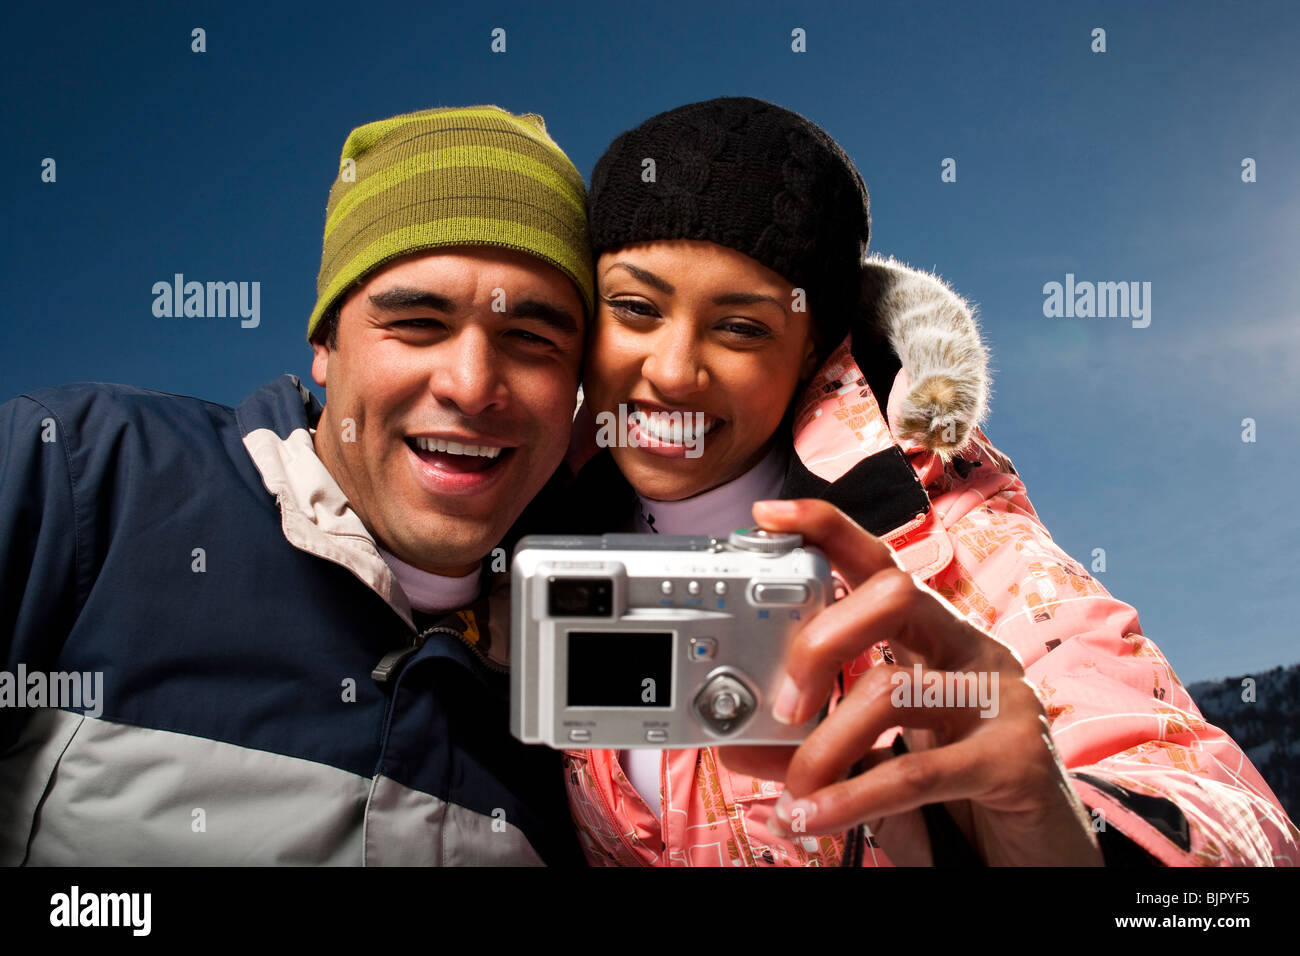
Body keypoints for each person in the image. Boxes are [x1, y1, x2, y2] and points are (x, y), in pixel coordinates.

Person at [558, 97, 1299, 866]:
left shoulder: (952, 532)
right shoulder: (538, 535)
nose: (675, 373)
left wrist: (1067, 834)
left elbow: (1224, 812)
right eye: (635, 308)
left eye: (742, 327)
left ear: (814, 349)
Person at [0, 105, 593, 865]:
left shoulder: (591, 686)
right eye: (417, 322)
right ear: (325, 343)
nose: (472, 386)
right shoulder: (78, 472)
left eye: (533, 339)